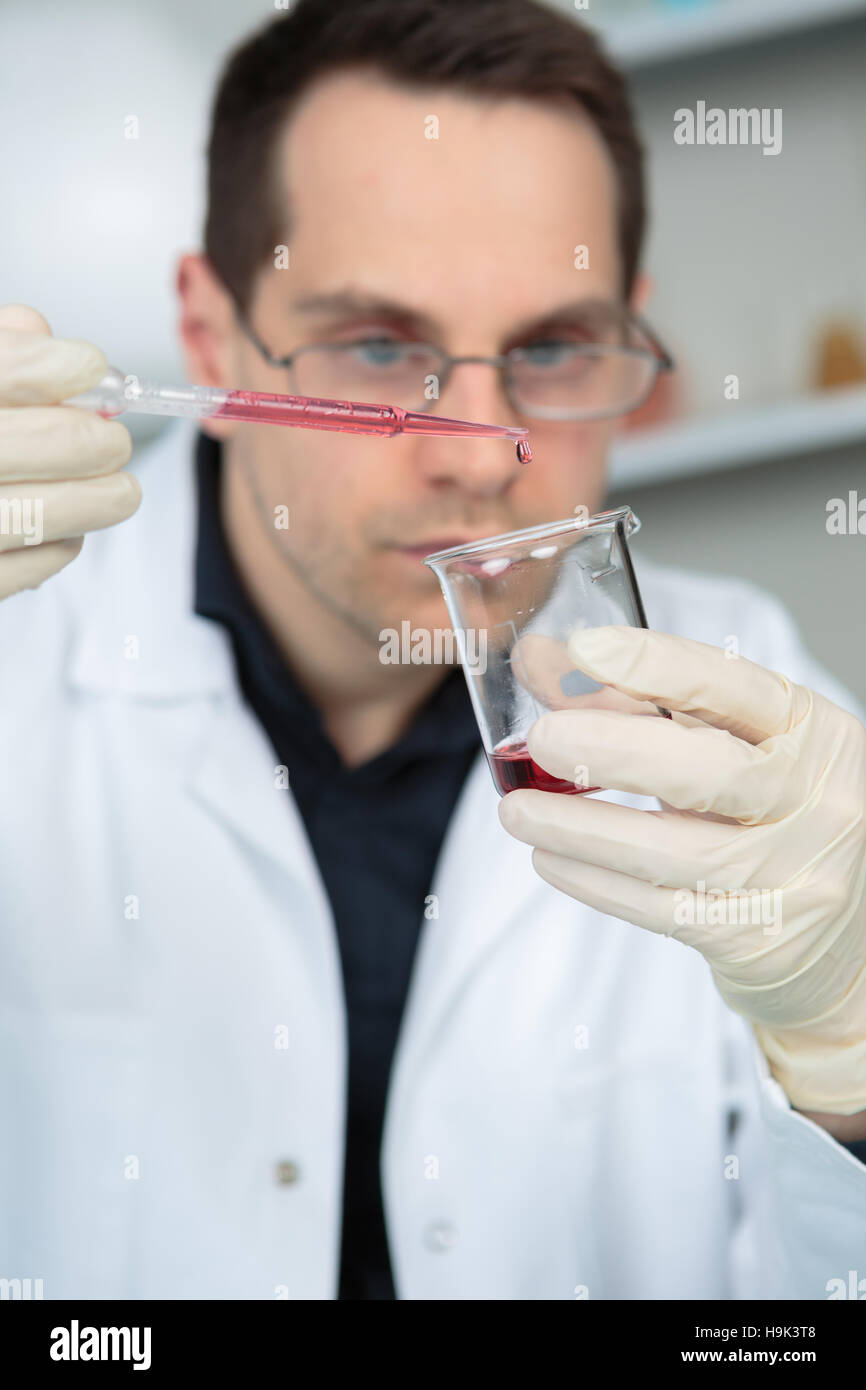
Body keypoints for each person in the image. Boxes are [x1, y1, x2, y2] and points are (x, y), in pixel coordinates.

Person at [1, 0, 864, 1302]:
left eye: (553, 346)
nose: (475, 453)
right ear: (208, 335)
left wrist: (852, 1060)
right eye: (379, 346)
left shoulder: (755, 698)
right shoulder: (20, 660)